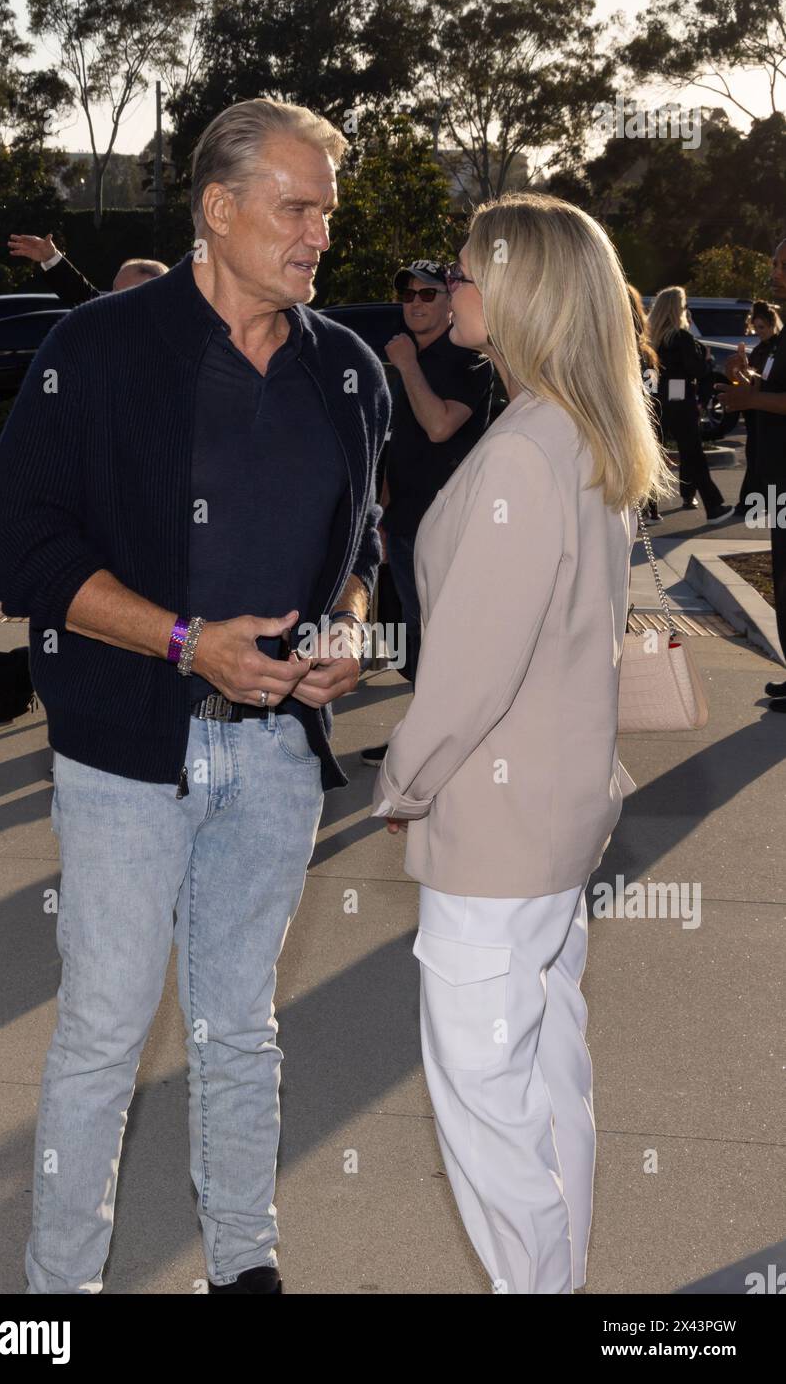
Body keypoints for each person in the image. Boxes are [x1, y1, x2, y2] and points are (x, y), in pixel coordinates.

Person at [0, 97, 390, 1295]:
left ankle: (244, 1266)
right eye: (295, 206)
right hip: (123, 757)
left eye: (327, 212)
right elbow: (20, 549)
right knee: (103, 1038)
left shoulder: (347, 370)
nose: (320, 234)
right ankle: (59, 1291)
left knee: (239, 1030)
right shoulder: (100, 349)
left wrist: (349, 629)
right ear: (219, 209)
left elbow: (364, 537)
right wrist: (181, 640)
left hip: (275, 759)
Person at [370, 191, 673, 1294]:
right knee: (546, 1081)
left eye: (463, 270)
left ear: (520, 290)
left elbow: (468, 675)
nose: (448, 288)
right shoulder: (579, 432)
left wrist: (398, 781)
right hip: (557, 814)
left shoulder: (523, 450)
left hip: (499, 831)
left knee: (486, 1102)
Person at [360, 259, 493, 766]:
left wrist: (408, 366)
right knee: (413, 637)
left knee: (440, 642)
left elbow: (439, 426)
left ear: (449, 299)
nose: (415, 303)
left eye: (428, 294)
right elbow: (402, 441)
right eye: (408, 294)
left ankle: (443, 746)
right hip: (406, 521)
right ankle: (424, 735)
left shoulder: (465, 359)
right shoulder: (411, 356)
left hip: (448, 526)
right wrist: (384, 512)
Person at [716, 240, 786, 710]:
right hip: (773, 473)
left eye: (784, 263)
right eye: (775, 261)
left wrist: (752, 400)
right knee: (781, 571)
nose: (775, 270)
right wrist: (743, 380)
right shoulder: (778, 339)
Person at [647, 286, 733, 523]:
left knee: (651, 455)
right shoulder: (682, 338)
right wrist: (705, 361)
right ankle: (714, 506)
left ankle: (650, 509)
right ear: (677, 310)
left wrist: (651, 396)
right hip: (681, 400)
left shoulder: (651, 340)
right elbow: (695, 369)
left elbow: (647, 373)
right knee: (693, 454)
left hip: (656, 401)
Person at [728, 300, 783, 518]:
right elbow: (756, 379)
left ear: (771, 325)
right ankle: (753, 502)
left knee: (762, 457)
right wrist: (741, 369)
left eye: (762, 328)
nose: (759, 332)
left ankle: (752, 502)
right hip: (756, 411)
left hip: (769, 411)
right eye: (756, 328)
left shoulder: (777, 348)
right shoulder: (760, 349)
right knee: (755, 456)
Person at [7, 232, 168, 306]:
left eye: (123, 295)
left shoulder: (176, 346)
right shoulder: (109, 317)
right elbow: (85, 297)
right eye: (114, 290)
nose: (111, 299)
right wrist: (50, 257)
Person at [627, 283, 663, 522]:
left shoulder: (632, 351)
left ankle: (646, 507)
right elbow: (652, 392)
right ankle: (651, 507)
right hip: (641, 415)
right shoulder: (646, 352)